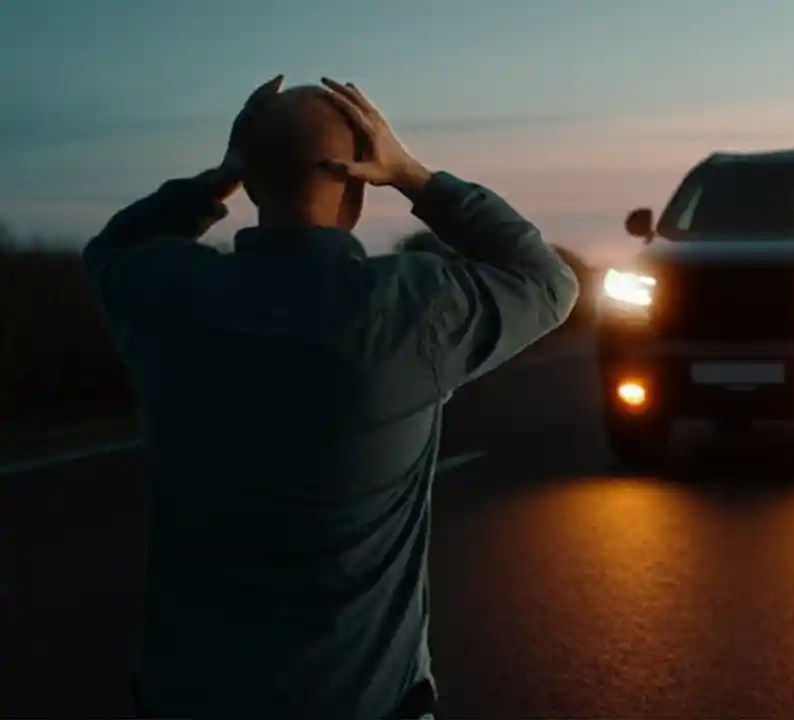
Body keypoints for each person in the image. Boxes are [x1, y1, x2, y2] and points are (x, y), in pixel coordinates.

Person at [82, 75, 579, 719]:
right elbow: (548, 282)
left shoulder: (168, 297)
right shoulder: (409, 310)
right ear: (357, 188)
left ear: (253, 184)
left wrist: (219, 177)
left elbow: (111, 250)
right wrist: (413, 175)